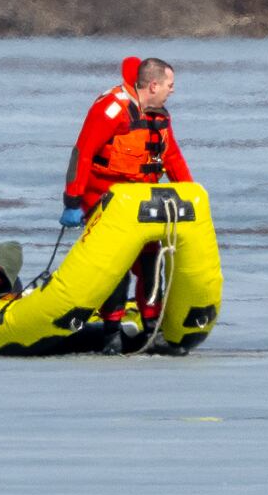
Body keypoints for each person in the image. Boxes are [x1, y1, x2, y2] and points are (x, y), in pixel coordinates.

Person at [61, 56, 191, 352]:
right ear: (154, 85)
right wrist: (73, 199)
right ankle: (111, 333)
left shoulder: (159, 117)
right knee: (115, 267)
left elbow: (171, 157)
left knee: (150, 264)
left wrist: (189, 195)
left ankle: (152, 329)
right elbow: (83, 152)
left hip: (143, 201)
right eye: (170, 85)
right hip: (105, 199)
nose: (173, 90)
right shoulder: (111, 109)